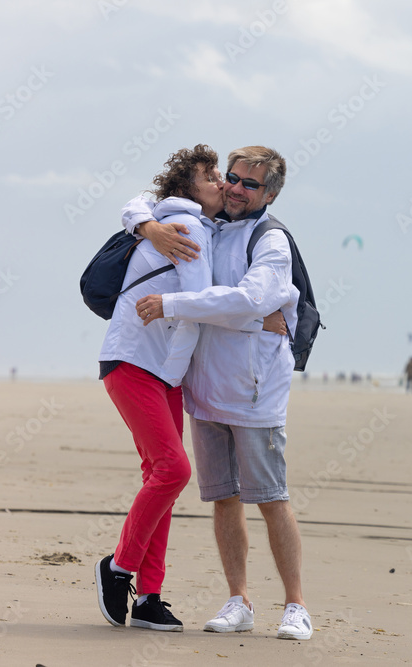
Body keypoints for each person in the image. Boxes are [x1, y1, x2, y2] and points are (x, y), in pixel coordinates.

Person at [125, 145, 313, 641]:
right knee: (224, 499)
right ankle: (239, 601)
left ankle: (296, 605)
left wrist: (173, 303)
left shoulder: (271, 240)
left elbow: (252, 297)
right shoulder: (205, 224)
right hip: (204, 392)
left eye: (249, 184)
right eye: (230, 178)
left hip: (255, 392)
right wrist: (149, 228)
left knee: (272, 498)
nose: (234, 188)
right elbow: (139, 203)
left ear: (269, 193)